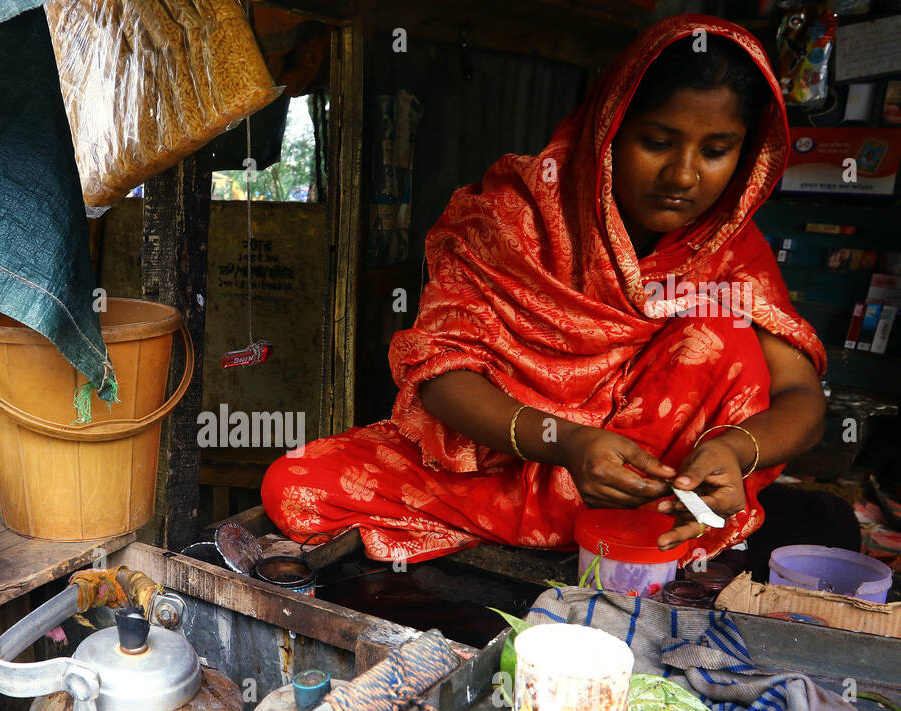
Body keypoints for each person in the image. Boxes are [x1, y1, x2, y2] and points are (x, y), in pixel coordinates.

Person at [261, 15, 827, 566]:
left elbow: (802, 397)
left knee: (722, 334)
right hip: (508, 463)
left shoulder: (730, 250)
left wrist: (734, 451)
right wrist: (568, 445)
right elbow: (440, 375)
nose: (682, 175)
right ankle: (582, 529)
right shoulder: (514, 215)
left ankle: (621, 523)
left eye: (715, 151)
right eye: (657, 141)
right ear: (608, 127)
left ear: (746, 154)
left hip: (641, 485)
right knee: (295, 483)